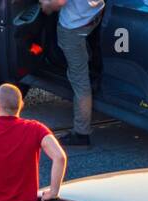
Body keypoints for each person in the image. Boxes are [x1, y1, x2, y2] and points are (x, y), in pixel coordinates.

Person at [41, 0, 105, 148]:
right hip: (94, 15)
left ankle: (82, 133)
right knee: (86, 57)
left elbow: (57, 3)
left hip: (74, 26)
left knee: (80, 80)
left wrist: (45, 5)